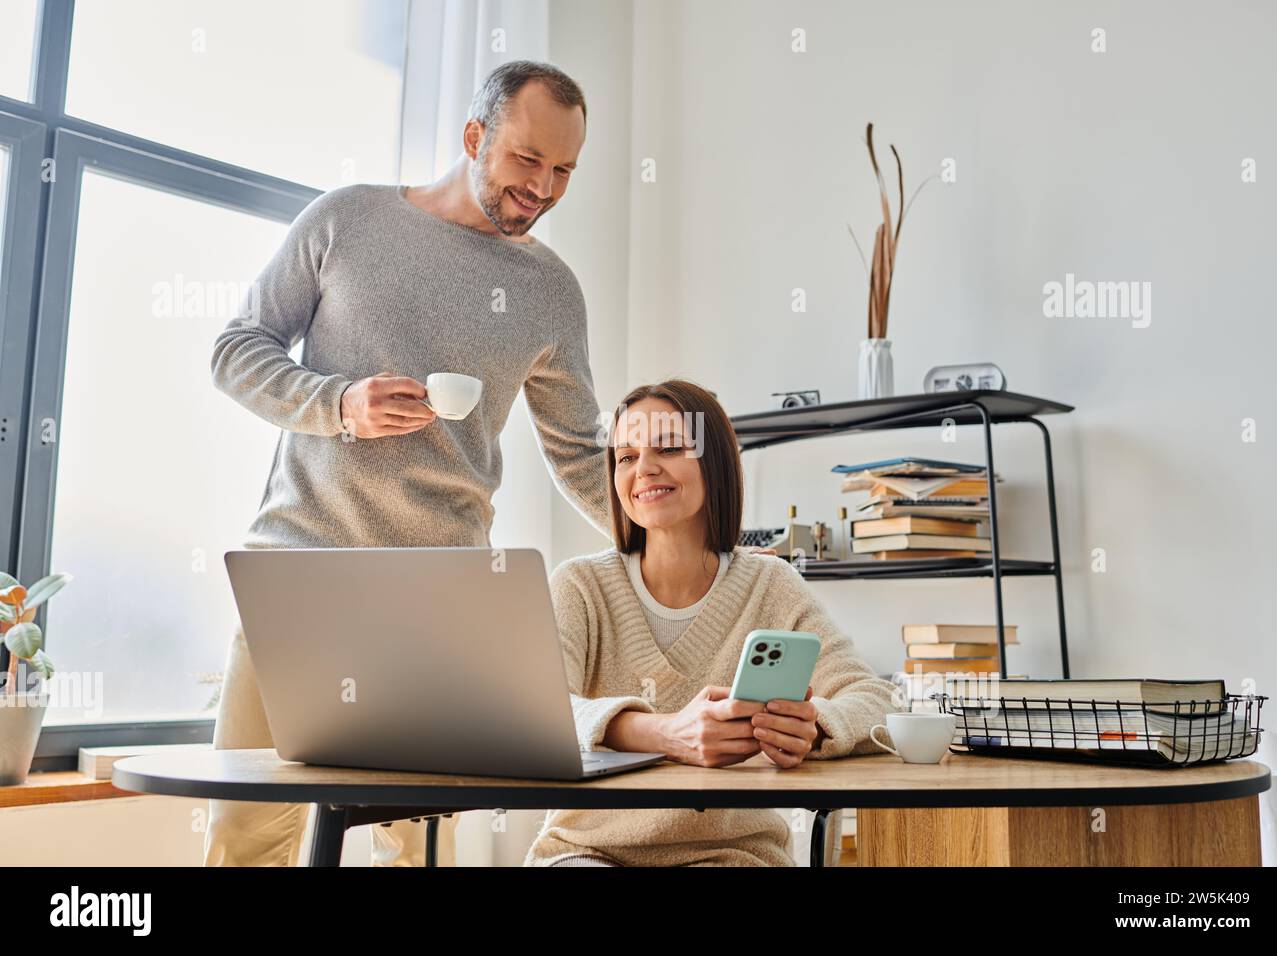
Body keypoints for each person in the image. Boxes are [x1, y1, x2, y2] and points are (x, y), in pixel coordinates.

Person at [205, 60, 610, 866]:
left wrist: (688, 539)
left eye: (564, 169)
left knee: (415, 849)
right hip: (296, 575)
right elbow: (234, 349)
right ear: (473, 137)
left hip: (439, 602)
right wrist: (339, 404)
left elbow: (581, 455)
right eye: (527, 160)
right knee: (246, 839)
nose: (544, 188)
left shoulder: (552, 292)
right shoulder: (347, 221)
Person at [523, 379, 907, 867]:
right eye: (625, 456)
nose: (644, 469)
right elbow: (538, 716)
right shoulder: (580, 586)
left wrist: (815, 729)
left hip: (733, 853)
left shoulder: (770, 584)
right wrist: (664, 733)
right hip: (587, 850)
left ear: (715, 463)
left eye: (668, 447)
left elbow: (878, 701)